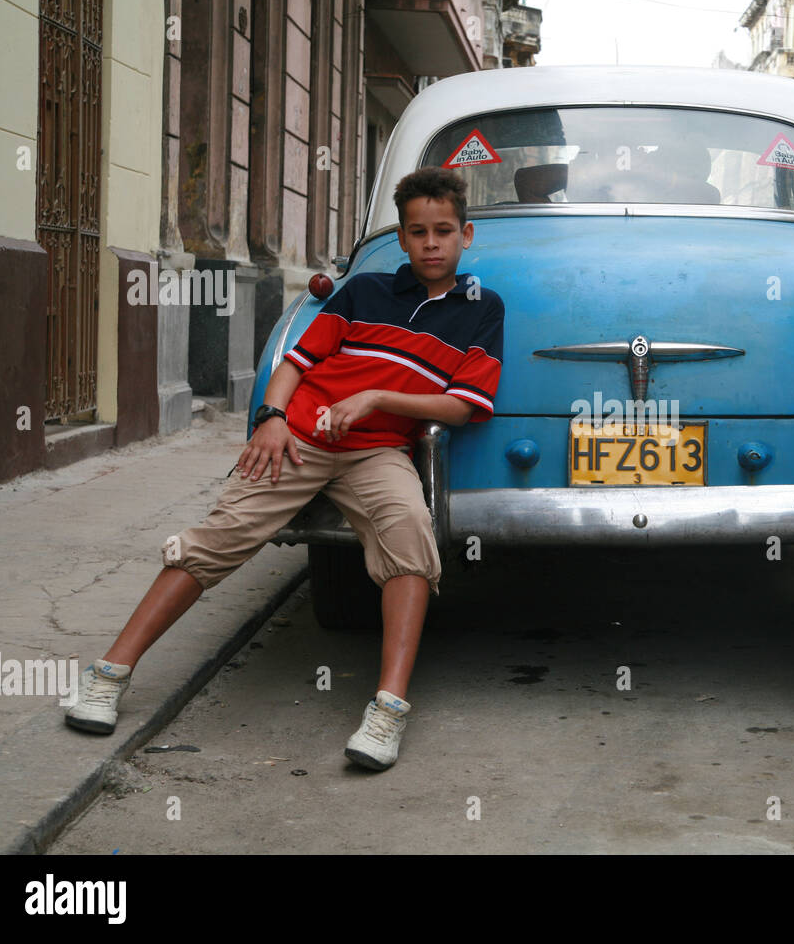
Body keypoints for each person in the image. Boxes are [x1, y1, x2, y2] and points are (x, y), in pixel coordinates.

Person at [64, 167, 504, 772]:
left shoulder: (482, 309)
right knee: (219, 536)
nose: (432, 243)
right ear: (401, 239)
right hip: (298, 436)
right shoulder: (362, 291)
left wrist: (377, 399)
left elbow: (464, 405)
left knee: (410, 534)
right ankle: (109, 674)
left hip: (378, 451)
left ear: (466, 235)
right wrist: (271, 415)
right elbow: (297, 361)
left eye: (444, 231)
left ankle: (389, 708)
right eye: (418, 232)